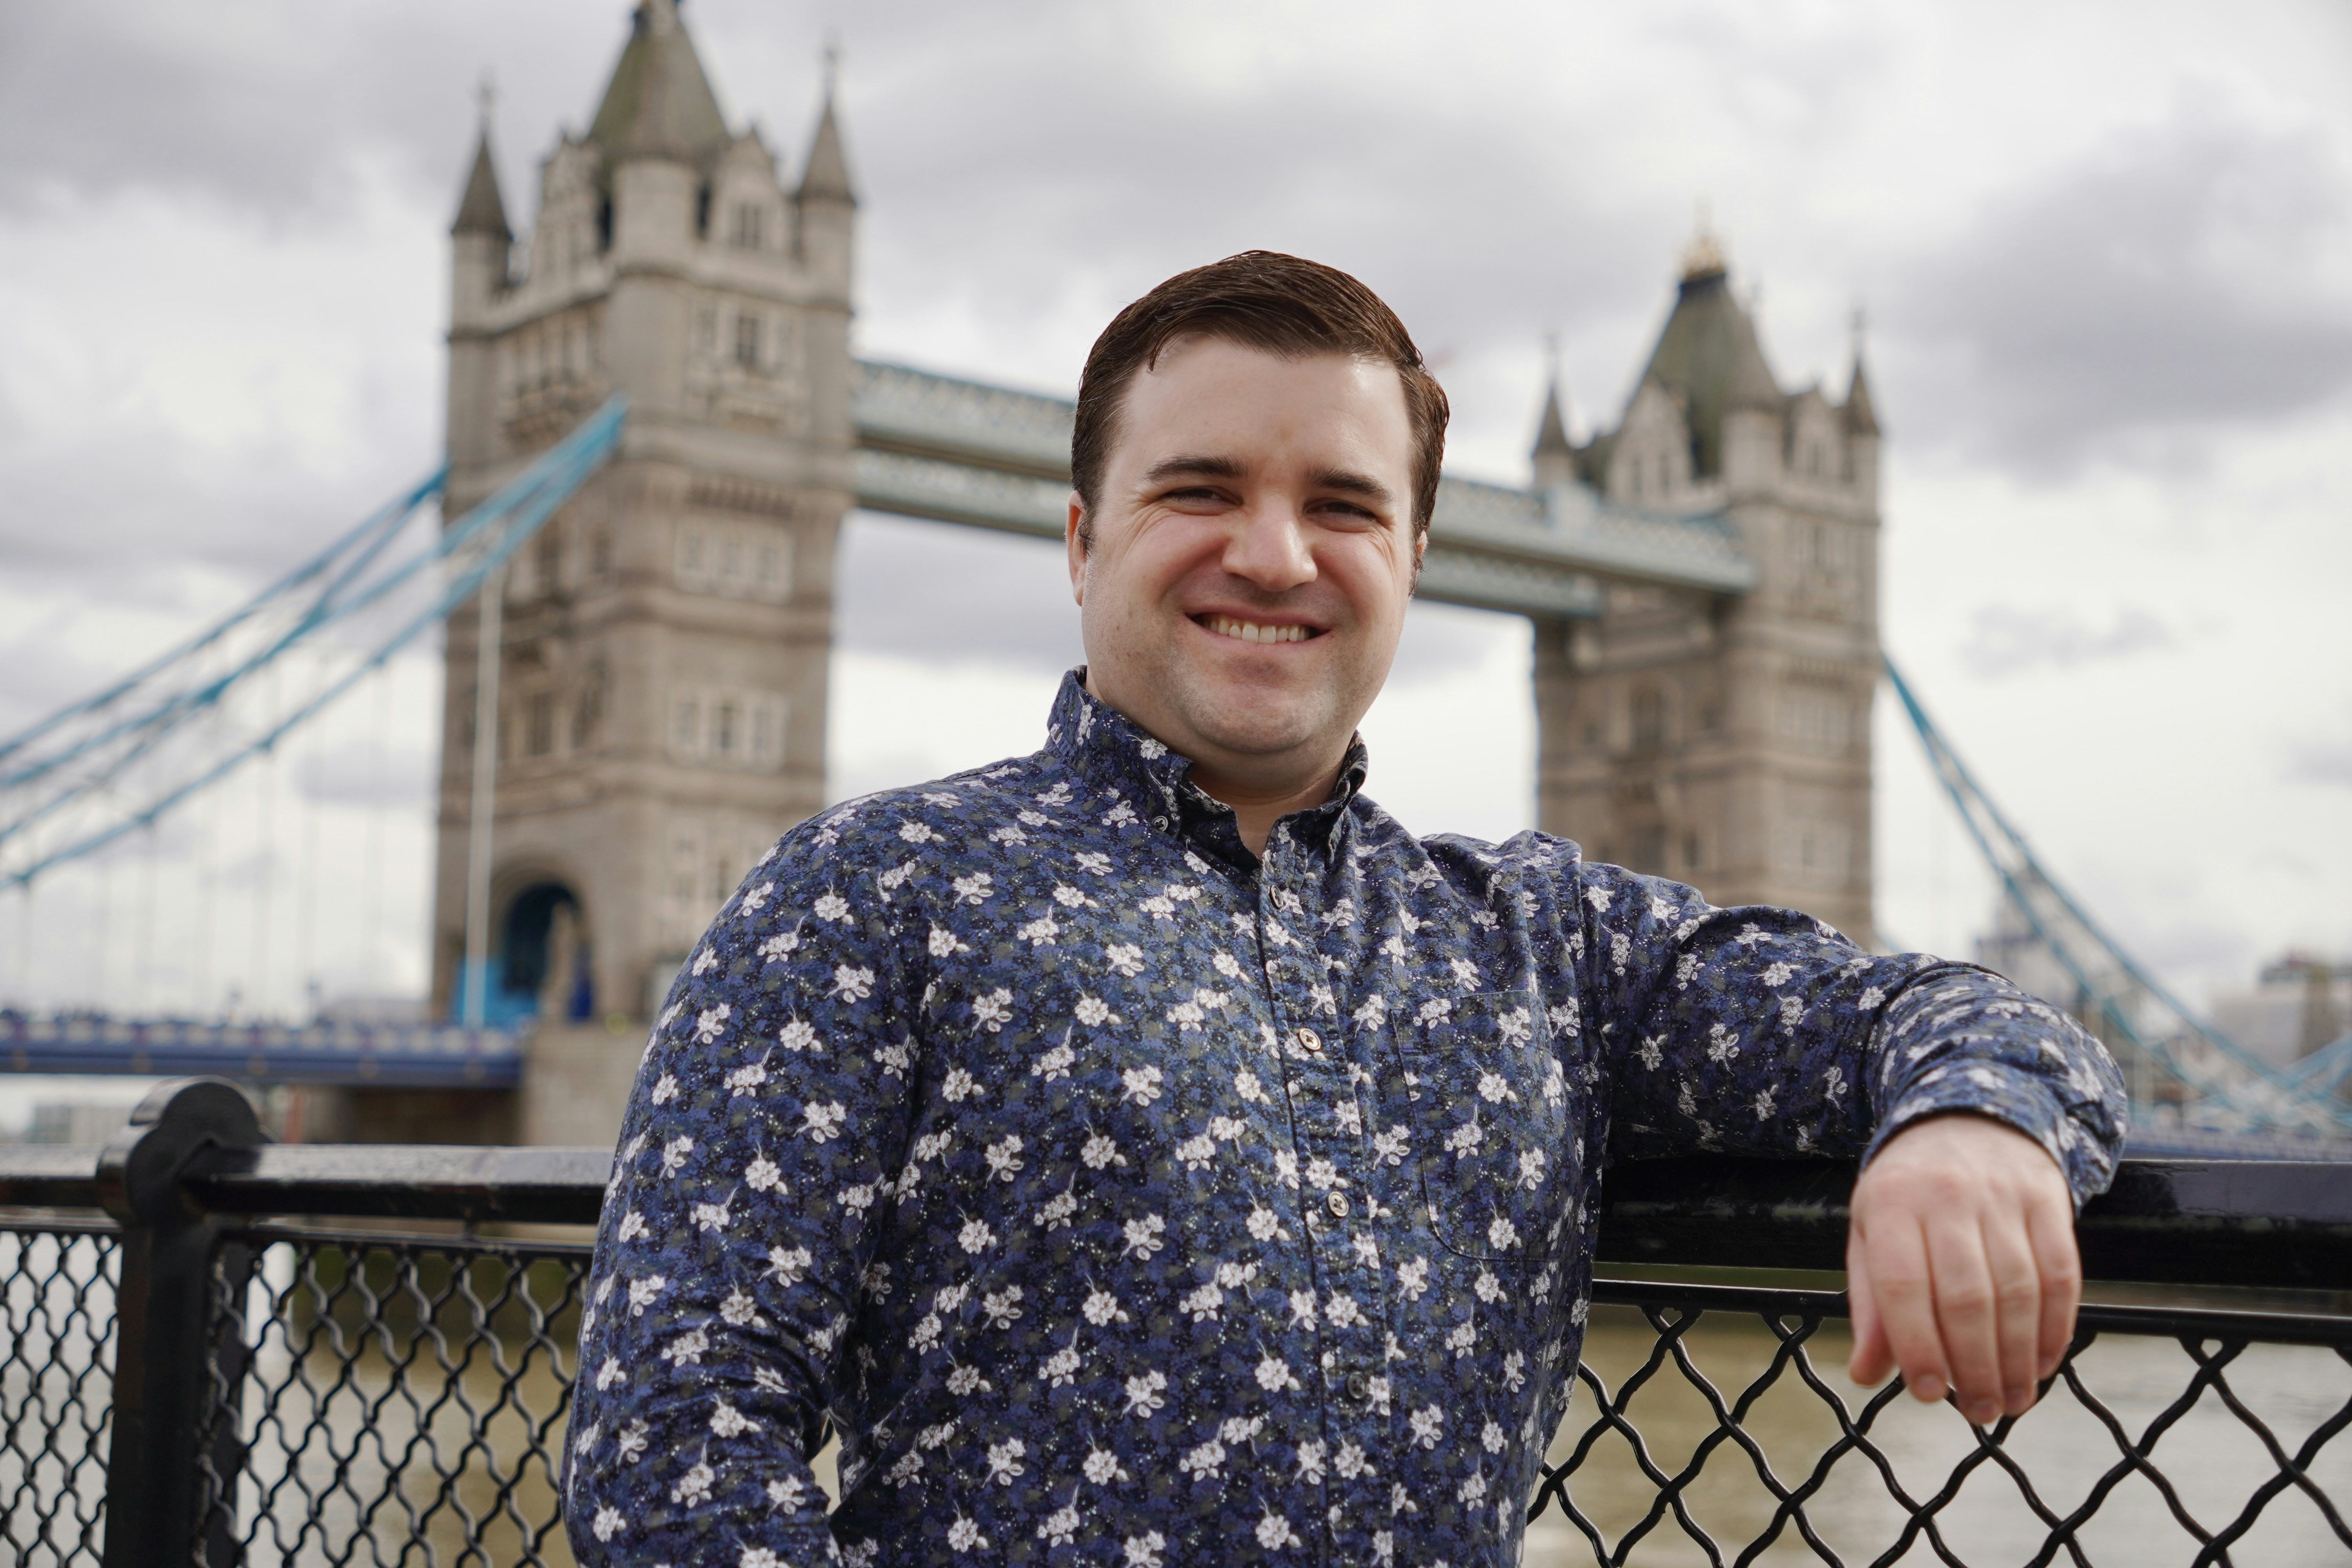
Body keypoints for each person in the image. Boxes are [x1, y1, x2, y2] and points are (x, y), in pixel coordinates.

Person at [562, 252, 2125, 1566]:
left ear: (1416, 558)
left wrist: (1968, 1121)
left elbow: (1959, 1012)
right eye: (1200, 489)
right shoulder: (868, 896)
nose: (1273, 552)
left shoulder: (1545, 944)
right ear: (1080, 538)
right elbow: (671, 1444)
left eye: (1344, 506)